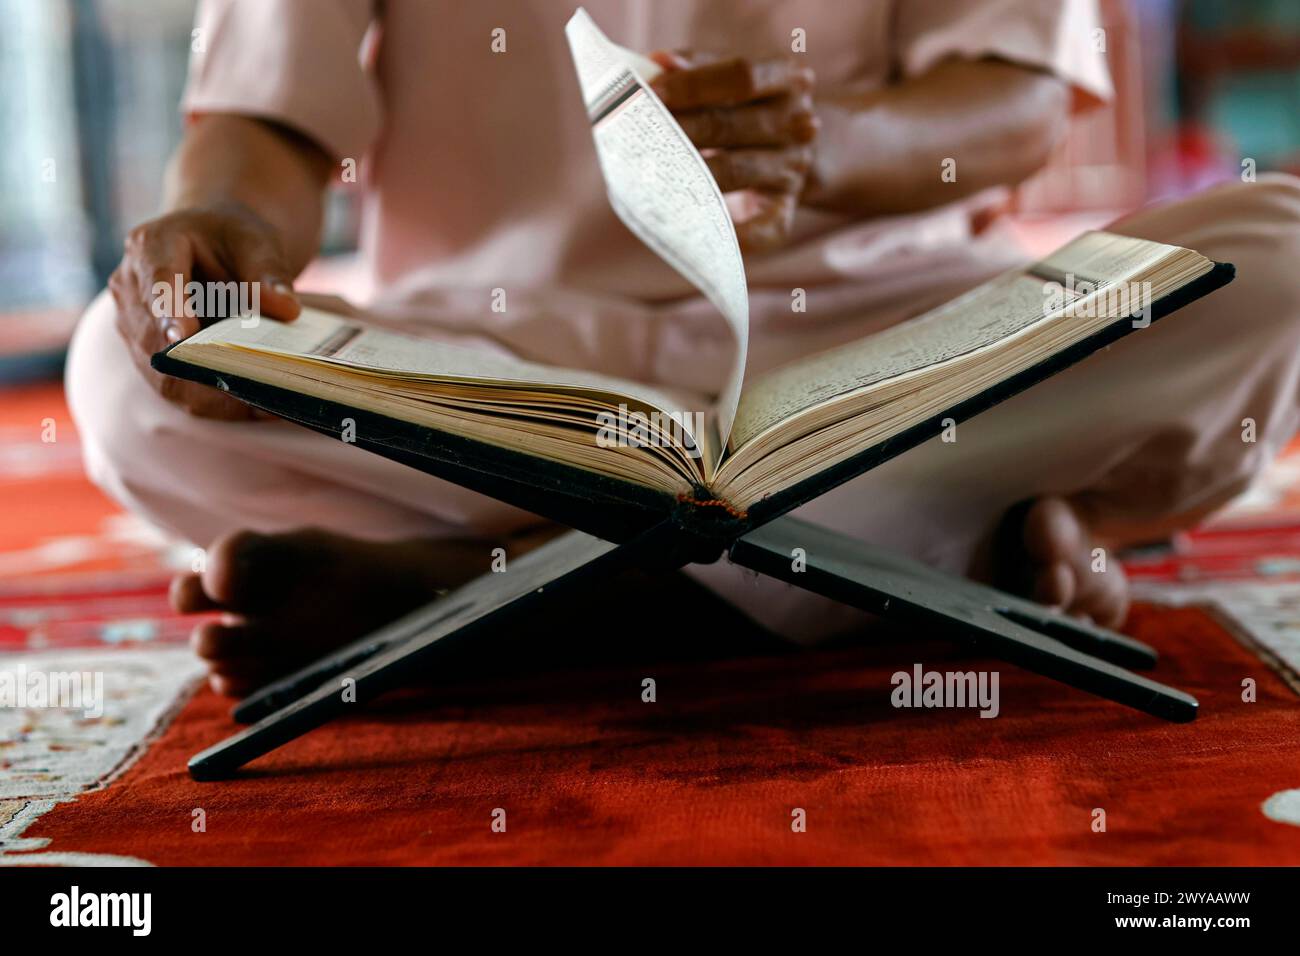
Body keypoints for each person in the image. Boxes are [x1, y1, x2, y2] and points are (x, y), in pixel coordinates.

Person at [67, 0, 1300, 695]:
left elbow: (1017, 93)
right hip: (490, 366)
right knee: (122, 376)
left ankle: (524, 597)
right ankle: (915, 551)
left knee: (1274, 258)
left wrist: (833, 146)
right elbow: (265, 122)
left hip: (889, 338)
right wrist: (219, 234)